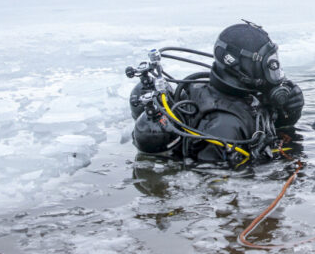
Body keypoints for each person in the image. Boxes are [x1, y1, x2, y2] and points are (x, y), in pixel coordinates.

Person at [130, 21, 304, 167]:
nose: (272, 71)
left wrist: (288, 113)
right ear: (241, 68)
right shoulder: (224, 127)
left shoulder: (239, 94)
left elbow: (272, 127)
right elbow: (221, 189)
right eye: (267, 65)